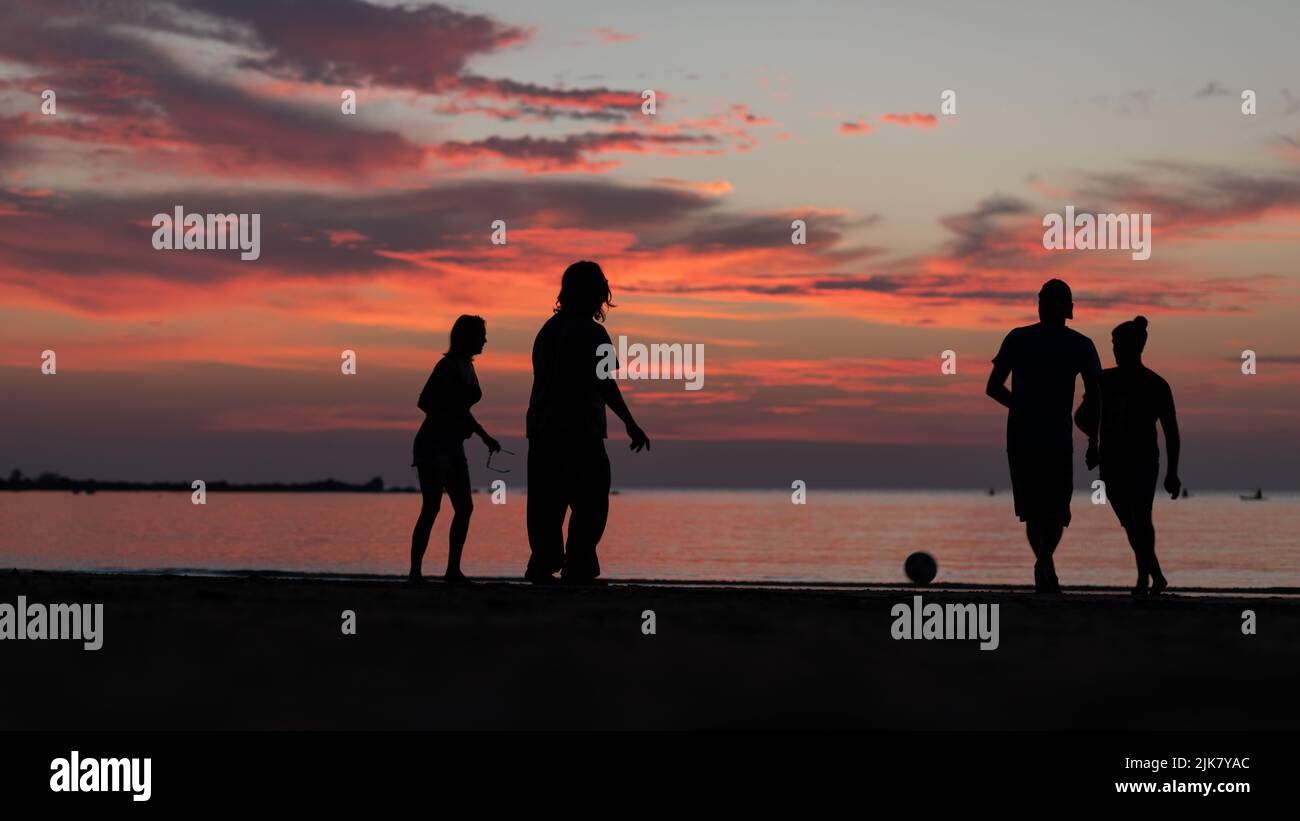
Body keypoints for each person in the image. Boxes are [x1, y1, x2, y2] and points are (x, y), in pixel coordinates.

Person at [524, 261, 650, 585]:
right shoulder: (593, 333)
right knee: (591, 501)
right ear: (597, 293)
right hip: (579, 430)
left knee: (547, 503)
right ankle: (577, 565)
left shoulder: (546, 331)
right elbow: (604, 383)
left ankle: (543, 563)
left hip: (542, 430)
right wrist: (630, 423)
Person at [986, 279, 1101, 594]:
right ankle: (1045, 564)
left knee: (1036, 510)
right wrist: (1094, 440)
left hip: (1026, 434)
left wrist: (1022, 408)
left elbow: (993, 388)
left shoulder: (1020, 338)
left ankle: (1043, 564)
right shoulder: (1080, 344)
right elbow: (1096, 396)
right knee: (1050, 508)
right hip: (1052, 437)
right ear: (1069, 308)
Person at [1088, 316, 1181, 596]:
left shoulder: (1156, 385)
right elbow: (1086, 417)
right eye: (1113, 344)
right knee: (1129, 522)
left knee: (1141, 516)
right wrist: (1093, 443)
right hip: (1111, 461)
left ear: (1135, 347)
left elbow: (1172, 433)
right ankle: (1157, 576)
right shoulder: (1104, 380)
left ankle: (1143, 577)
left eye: (1118, 344)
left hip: (1143, 461)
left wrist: (1172, 472)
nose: (1114, 349)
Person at [409, 315, 500, 584]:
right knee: (432, 507)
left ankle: (452, 570)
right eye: (480, 334)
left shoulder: (468, 367)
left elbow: (463, 410)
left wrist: (485, 437)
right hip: (432, 444)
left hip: (454, 445)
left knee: (464, 507)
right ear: (467, 336)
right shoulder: (446, 366)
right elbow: (425, 403)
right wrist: (451, 421)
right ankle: (415, 572)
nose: (484, 340)